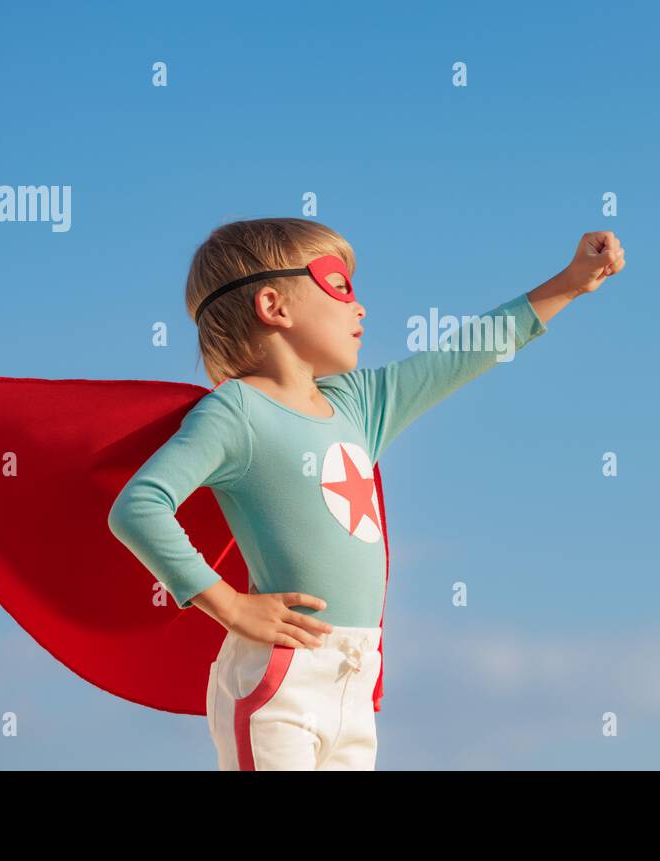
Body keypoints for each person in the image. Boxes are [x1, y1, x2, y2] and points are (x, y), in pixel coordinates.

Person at [106, 216, 625, 770]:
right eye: (339, 285)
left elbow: (464, 353)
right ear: (274, 306)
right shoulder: (236, 412)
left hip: (355, 679)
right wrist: (229, 605)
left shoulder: (360, 403)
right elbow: (139, 506)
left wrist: (569, 282)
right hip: (280, 677)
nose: (361, 308)